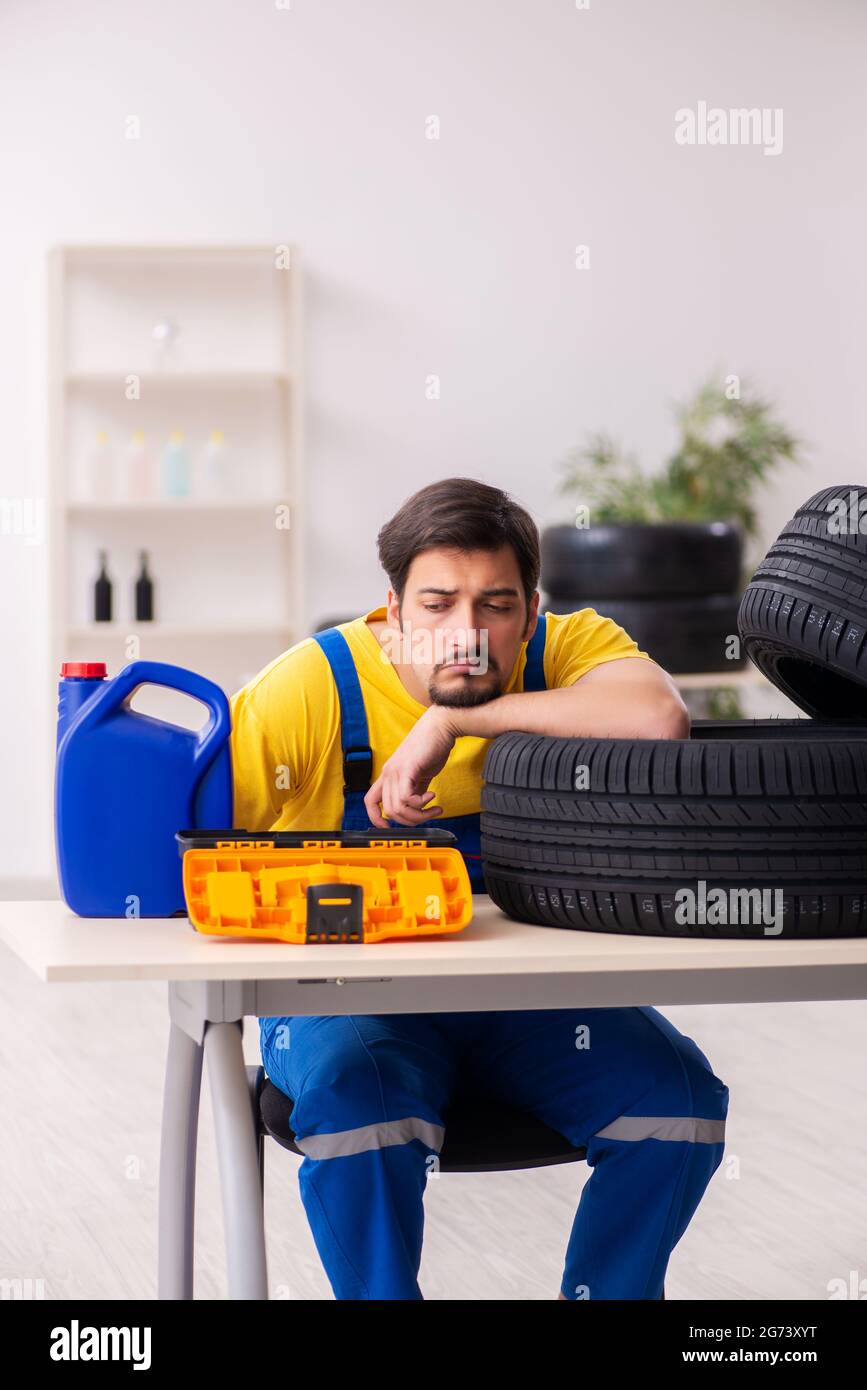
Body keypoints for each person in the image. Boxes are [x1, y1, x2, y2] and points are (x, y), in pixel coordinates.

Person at [229, 476, 730, 1300]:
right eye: (437, 605)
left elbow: (656, 716)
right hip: (349, 1000)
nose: (467, 634)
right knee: (363, 1107)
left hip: (526, 1002)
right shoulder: (307, 692)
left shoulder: (565, 650)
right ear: (391, 614)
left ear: (530, 613)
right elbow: (190, 858)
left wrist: (455, 720)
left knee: (675, 1103)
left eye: (495, 606)